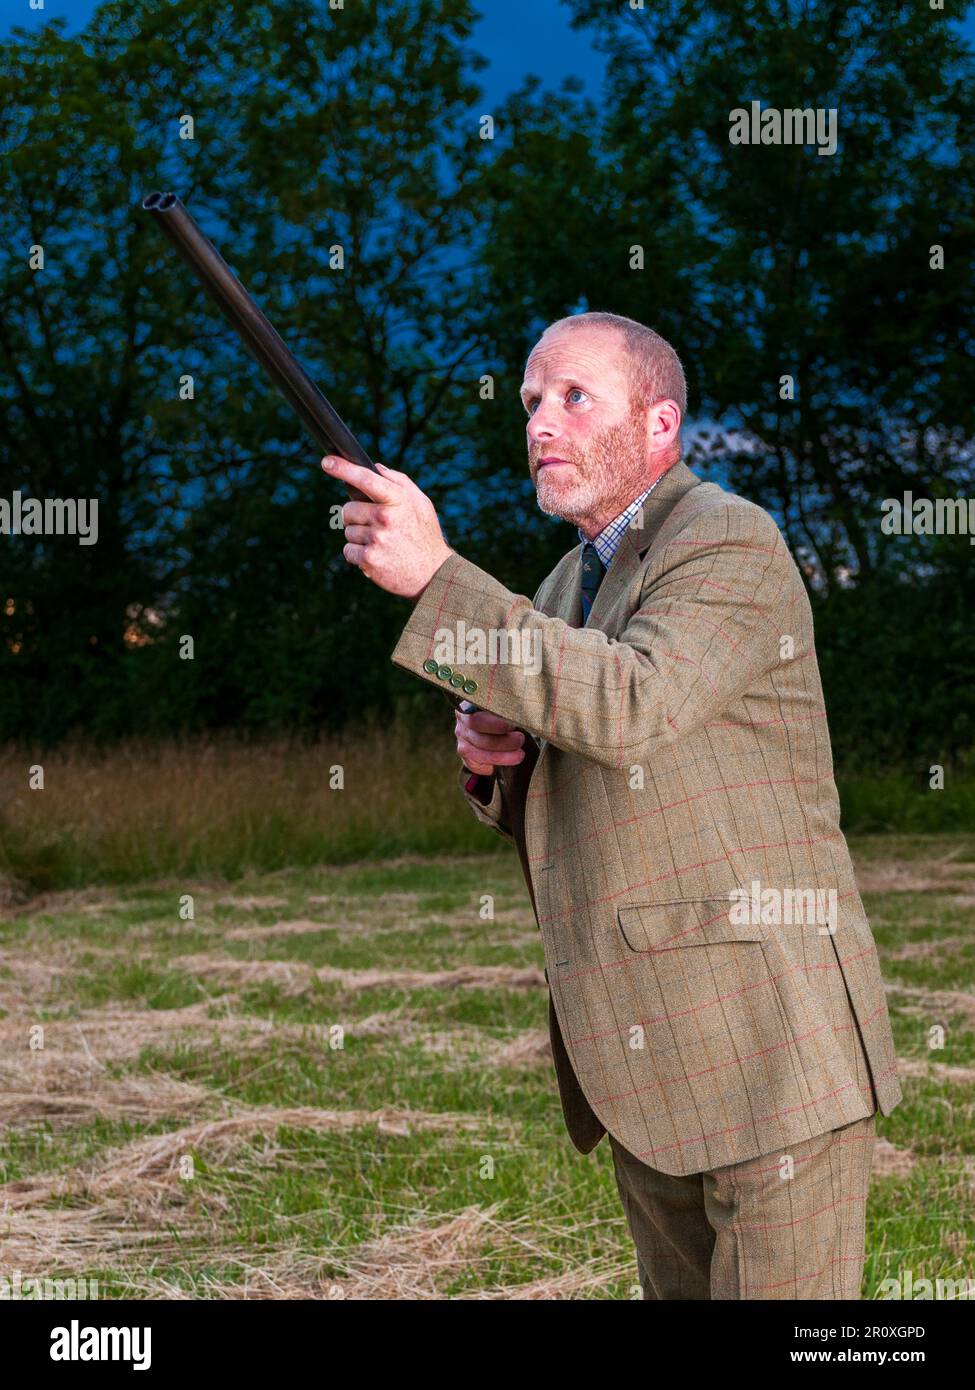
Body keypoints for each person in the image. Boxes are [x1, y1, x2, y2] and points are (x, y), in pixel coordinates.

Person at [321, 309, 902, 1300]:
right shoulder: (563, 581)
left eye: (575, 398)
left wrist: (439, 580)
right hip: (645, 1059)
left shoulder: (727, 541)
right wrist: (496, 759)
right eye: (531, 401)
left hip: (769, 1046)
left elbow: (634, 702)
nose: (541, 422)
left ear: (660, 421)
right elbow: (578, 767)